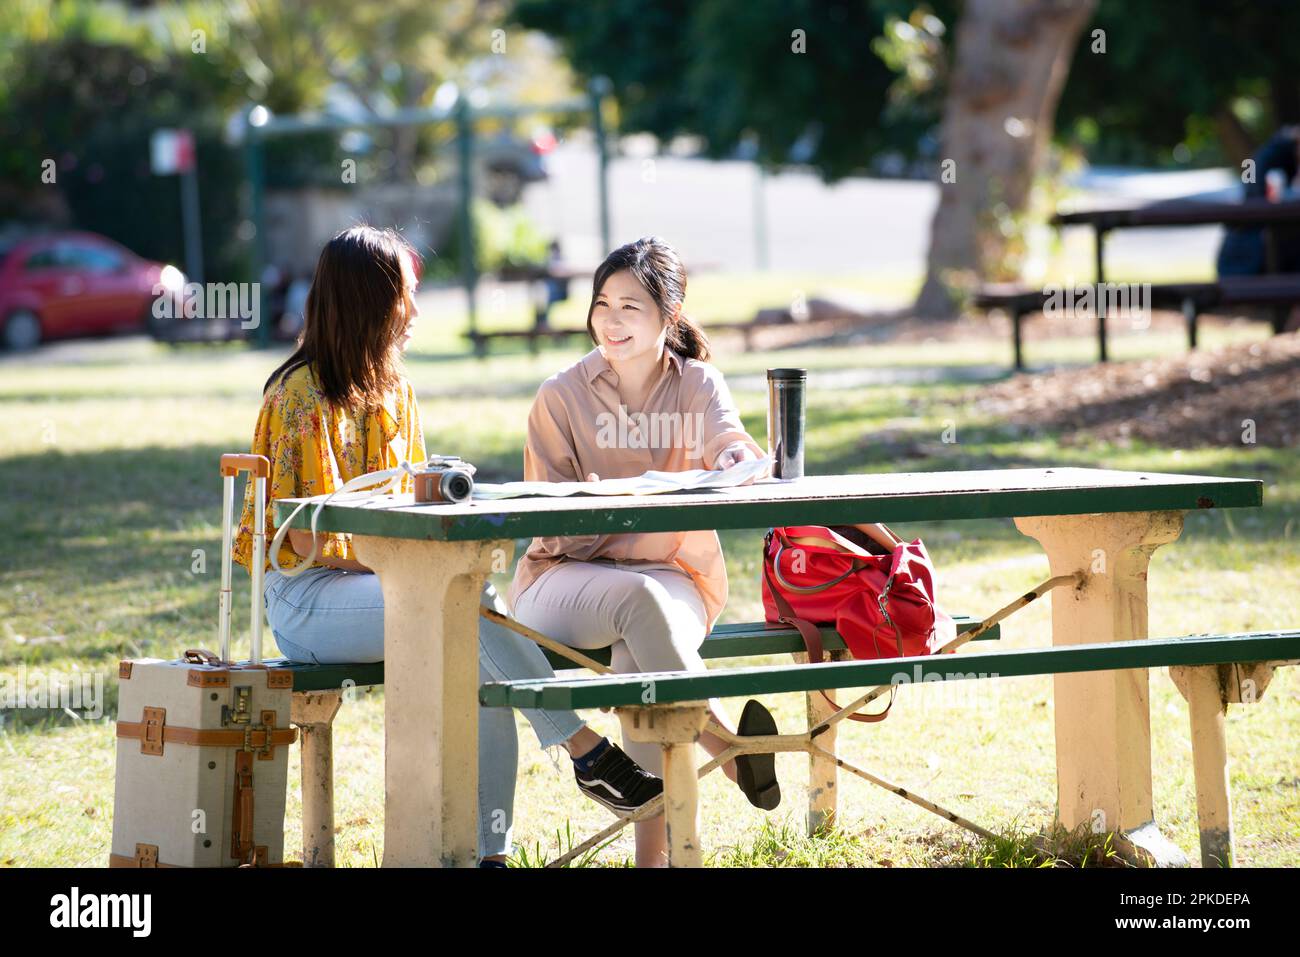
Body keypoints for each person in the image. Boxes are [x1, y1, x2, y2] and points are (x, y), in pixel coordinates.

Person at [231, 225, 662, 868]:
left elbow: (410, 503)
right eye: (406, 295)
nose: (415, 311)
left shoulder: (398, 391)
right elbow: (299, 540)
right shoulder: (295, 397)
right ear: (370, 305)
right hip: (308, 602)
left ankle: (490, 853)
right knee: (458, 607)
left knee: (467, 638)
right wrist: (404, 558)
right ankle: (580, 748)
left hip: (397, 588)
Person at [507, 235, 781, 868]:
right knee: (635, 600)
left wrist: (739, 459)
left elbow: (728, 443)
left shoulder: (697, 384)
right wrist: (607, 508)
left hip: (675, 574)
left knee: (639, 651)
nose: (611, 319)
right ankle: (729, 750)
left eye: (631, 306)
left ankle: (655, 860)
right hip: (562, 579)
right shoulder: (560, 395)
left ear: (668, 317)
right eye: (603, 303)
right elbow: (548, 526)